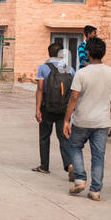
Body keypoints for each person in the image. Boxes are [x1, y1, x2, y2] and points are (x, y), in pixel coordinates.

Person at [62, 36, 111, 201]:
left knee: (75, 147)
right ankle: (95, 191)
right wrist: (109, 111)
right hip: (102, 121)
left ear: (88, 53)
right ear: (103, 53)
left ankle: (80, 179)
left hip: (82, 120)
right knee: (98, 155)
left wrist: (66, 120)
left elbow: (73, 98)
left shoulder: (82, 73)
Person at [33, 42, 74, 177]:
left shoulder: (43, 68)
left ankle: (44, 166)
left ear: (49, 53)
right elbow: (73, 92)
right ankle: (69, 165)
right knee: (64, 137)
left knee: (44, 137)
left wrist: (38, 109)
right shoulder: (70, 69)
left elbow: (40, 89)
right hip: (64, 109)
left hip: (47, 108)